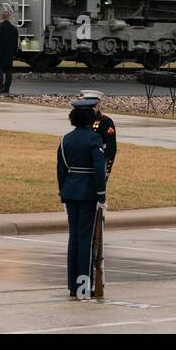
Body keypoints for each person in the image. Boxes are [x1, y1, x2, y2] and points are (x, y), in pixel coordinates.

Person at [57, 96, 107, 299]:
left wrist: (63, 192)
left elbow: (61, 169)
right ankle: (83, 287)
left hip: (70, 191)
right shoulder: (94, 139)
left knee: (73, 238)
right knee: (85, 239)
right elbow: (98, 169)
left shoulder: (65, 139)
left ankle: (72, 285)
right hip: (88, 193)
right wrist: (101, 195)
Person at [79, 90, 117, 179]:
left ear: (97, 105)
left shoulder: (105, 121)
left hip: (99, 161)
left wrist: (107, 169)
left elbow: (111, 147)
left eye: (92, 105)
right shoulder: (82, 120)